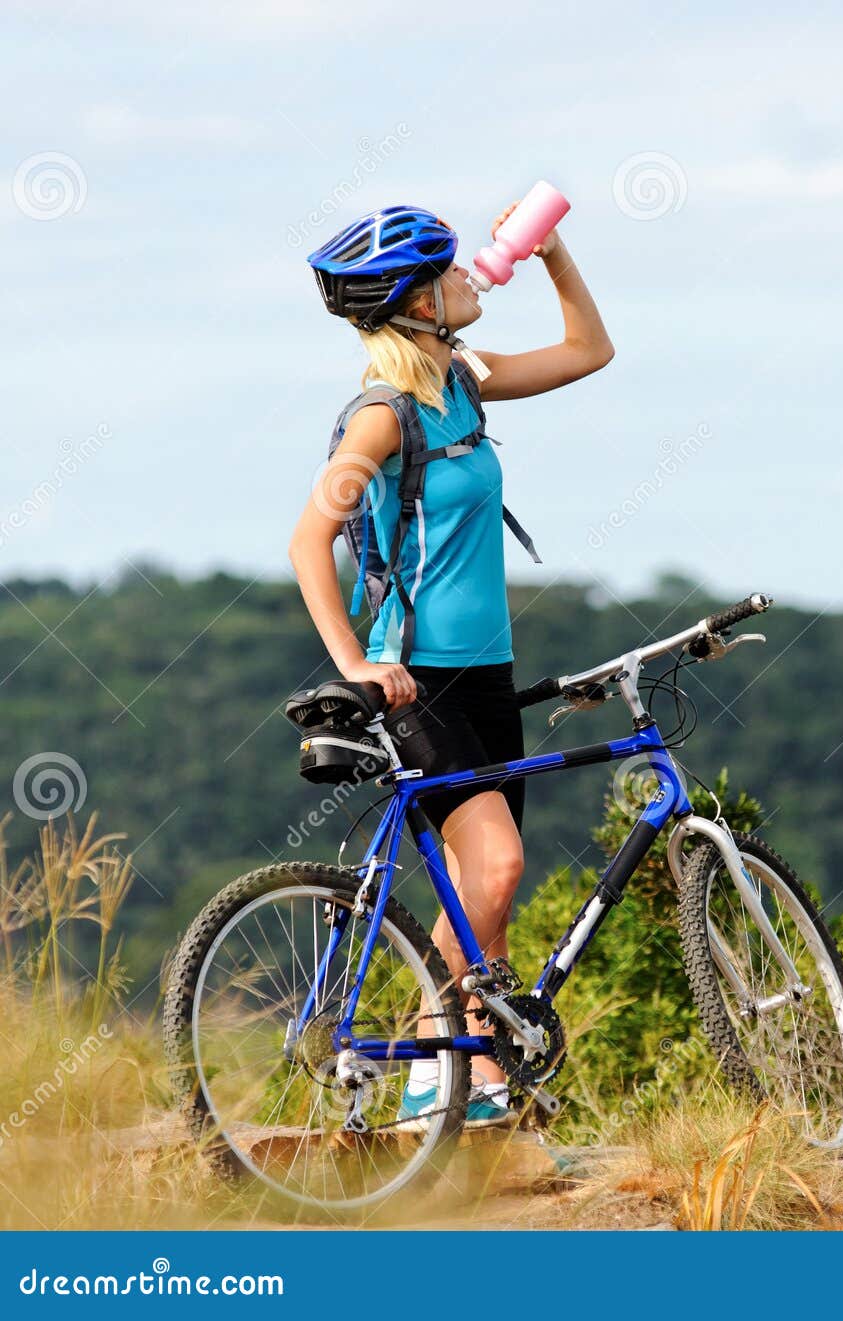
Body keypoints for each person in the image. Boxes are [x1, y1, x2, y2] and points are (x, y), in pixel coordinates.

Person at [288, 203, 613, 1126]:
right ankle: (437, 1067)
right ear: (418, 302)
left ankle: (471, 1079)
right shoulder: (384, 419)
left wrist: (550, 251)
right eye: (449, 271)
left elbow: (589, 350)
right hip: (415, 678)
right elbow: (310, 542)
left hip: (487, 674)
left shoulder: (462, 382)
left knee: (486, 899)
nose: (471, 276)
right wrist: (357, 664)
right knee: (499, 866)